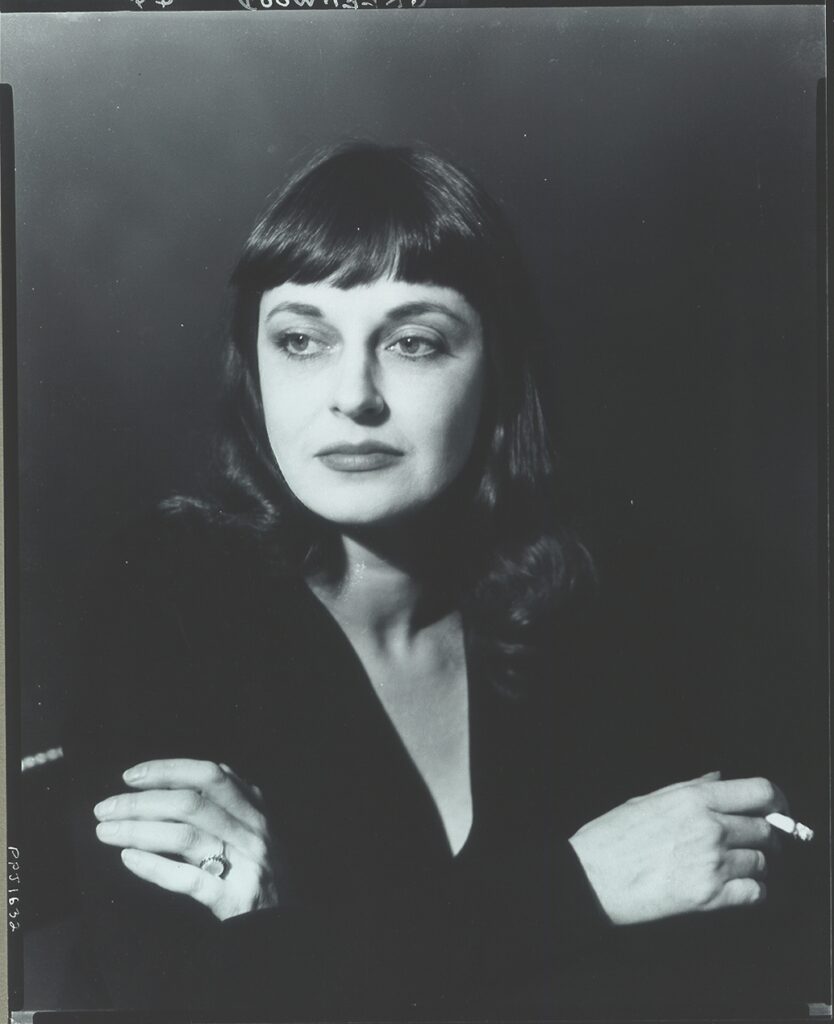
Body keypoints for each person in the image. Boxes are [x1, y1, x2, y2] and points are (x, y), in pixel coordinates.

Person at [67, 142, 794, 1021]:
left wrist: (291, 931)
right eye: (301, 340)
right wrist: (581, 888)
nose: (353, 395)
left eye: (413, 342)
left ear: (498, 372)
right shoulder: (170, 589)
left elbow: (696, 977)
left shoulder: (596, 616)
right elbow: (166, 998)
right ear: (253, 370)